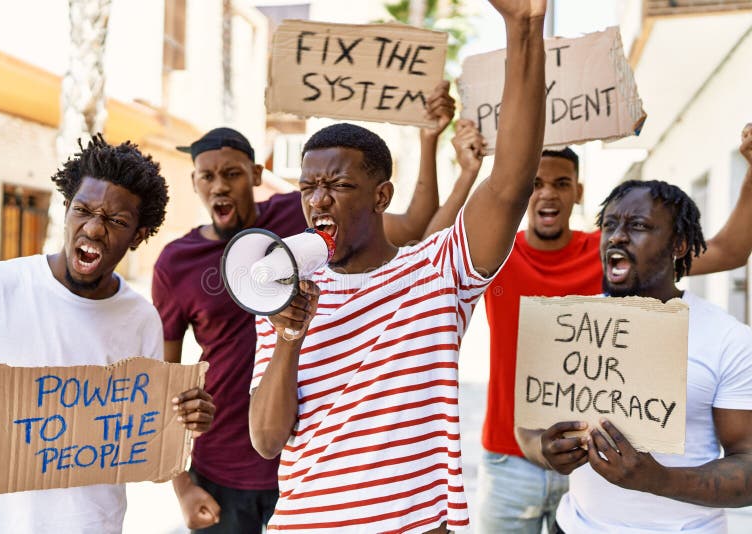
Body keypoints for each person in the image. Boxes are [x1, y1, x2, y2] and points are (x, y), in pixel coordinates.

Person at [247, 1, 547, 531]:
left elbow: (509, 183)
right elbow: (267, 440)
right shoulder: (282, 292)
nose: (318, 202)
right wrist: (290, 336)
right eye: (308, 187)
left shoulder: (435, 273)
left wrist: (523, 27)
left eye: (338, 186)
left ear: (382, 195)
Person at [152, 84, 455, 533]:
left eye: (232, 173)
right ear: (193, 182)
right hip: (220, 470)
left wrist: (430, 139)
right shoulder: (175, 262)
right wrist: (181, 484)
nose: (219, 186)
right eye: (206, 176)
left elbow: (410, 226)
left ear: (255, 174)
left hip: (299, 463)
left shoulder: (301, 215)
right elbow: (166, 380)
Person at [422, 123, 752, 533]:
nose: (618, 237)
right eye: (534, 183)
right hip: (514, 461)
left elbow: (729, 250)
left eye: (561, 182)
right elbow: (429, 262)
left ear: (578, 191)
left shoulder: (620, 262)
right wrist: (466, 173)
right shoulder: (497, 254)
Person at [0, 135, 215, 534]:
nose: (93, 228)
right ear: (66, 210)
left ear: (139, 236)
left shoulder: (141, 318)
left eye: (117, 221)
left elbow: (146, 434)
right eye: (83, 210)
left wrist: (185, 421)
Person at [515, 179, 752, 533]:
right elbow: (527, 427)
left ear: (679, 244)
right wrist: (543, 450)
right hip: (575, 526)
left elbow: (747, 463)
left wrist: (659, 479)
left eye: (638, 226)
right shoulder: (568, 323)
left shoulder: (728, 339)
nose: (617, 237)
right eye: (609, 225)